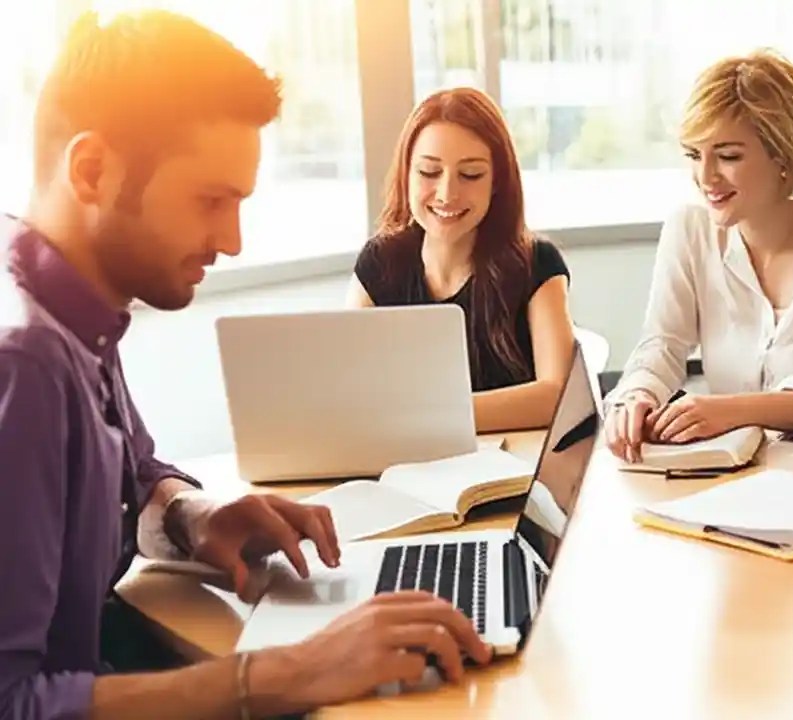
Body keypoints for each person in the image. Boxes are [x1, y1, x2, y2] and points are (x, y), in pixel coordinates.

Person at [1, 11, 489, 719]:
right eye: (210, 200)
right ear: (92, 170)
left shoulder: (73, 316)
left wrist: (195, 515)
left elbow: (136, 472)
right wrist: (282, 674)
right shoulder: (27, 364)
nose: (231, 241)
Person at [604, 49, 793, 463]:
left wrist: (732, 410)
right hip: (725, 472)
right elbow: (663, 345)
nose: (705, 177)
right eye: (694, 154)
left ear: (785, 152)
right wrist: (636, 396)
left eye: (728, 156)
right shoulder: (689, 229)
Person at [347, 88, 576, 433]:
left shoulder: (537, 264)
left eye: (470, 175)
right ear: (406, 173)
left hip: (508, 472)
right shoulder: (379, 263)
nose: (446, 194)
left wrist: (428, 416)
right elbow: (347, 392)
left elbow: (557, 395)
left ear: (497, 181)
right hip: (403, 467)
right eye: (428, 172)